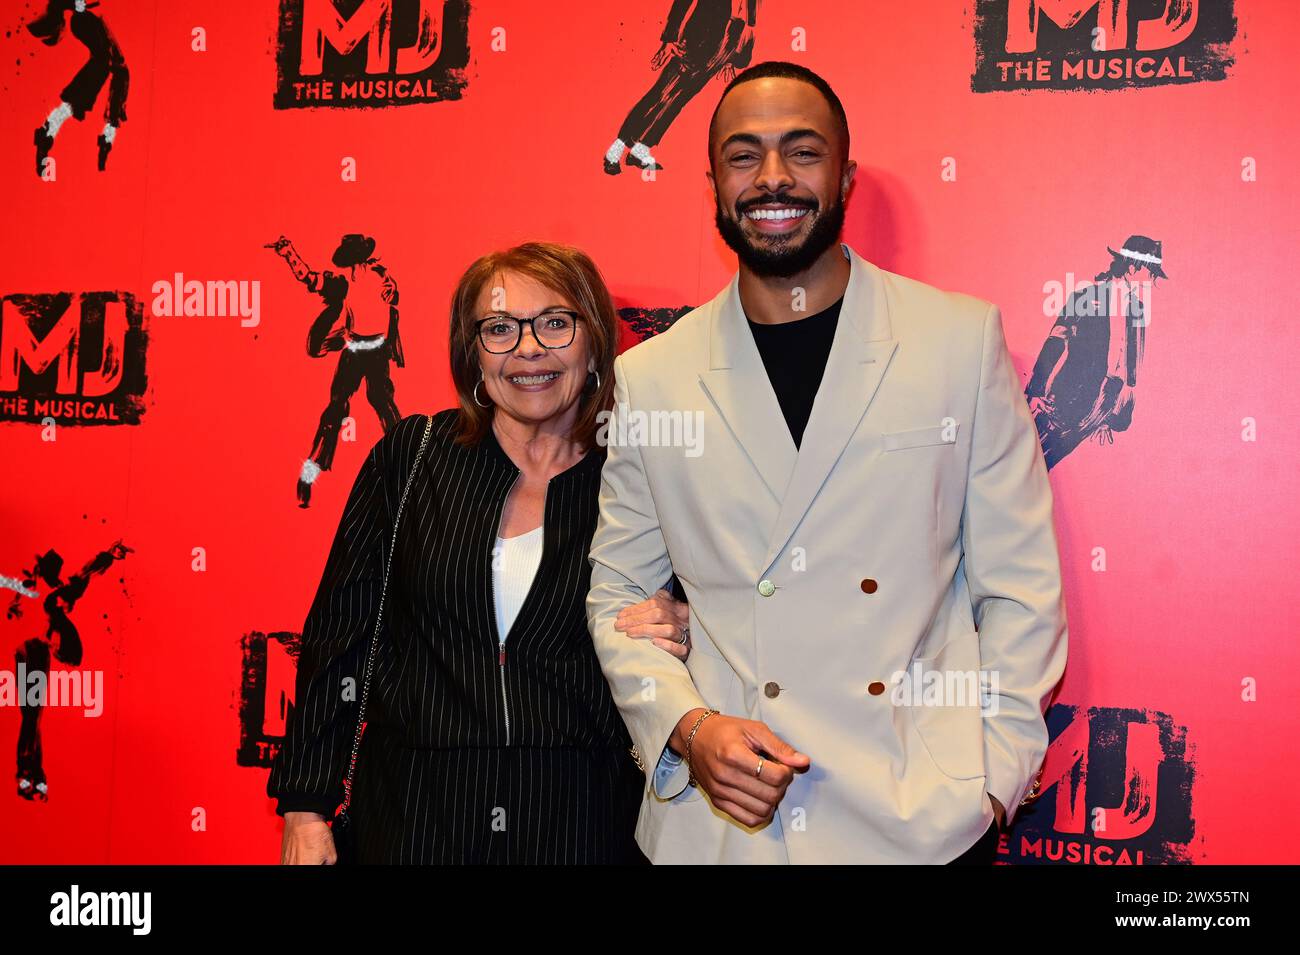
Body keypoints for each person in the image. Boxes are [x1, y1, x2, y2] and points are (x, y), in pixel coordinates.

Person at [587, 61, 1068, 864]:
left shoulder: (955, 341)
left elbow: (1021, 583)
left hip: (916, 818)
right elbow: (619, 598)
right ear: (712, 181)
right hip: (725, 827)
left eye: (801, 151)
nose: (772, 177)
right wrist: (688, 727)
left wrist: (994, 777)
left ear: (843, 173)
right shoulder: (654, 375)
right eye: (744, 155)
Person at [268, 242, 691, 863]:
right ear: (472, 353)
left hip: (584, 824)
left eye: (555, 322)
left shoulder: (642, 475)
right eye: (498, 328)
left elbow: (726, 621)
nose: (527, 348)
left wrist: (687, 625)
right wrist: (307, 808)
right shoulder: (413, 457)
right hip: (414, 821)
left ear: (595, 339)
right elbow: (340, 635)